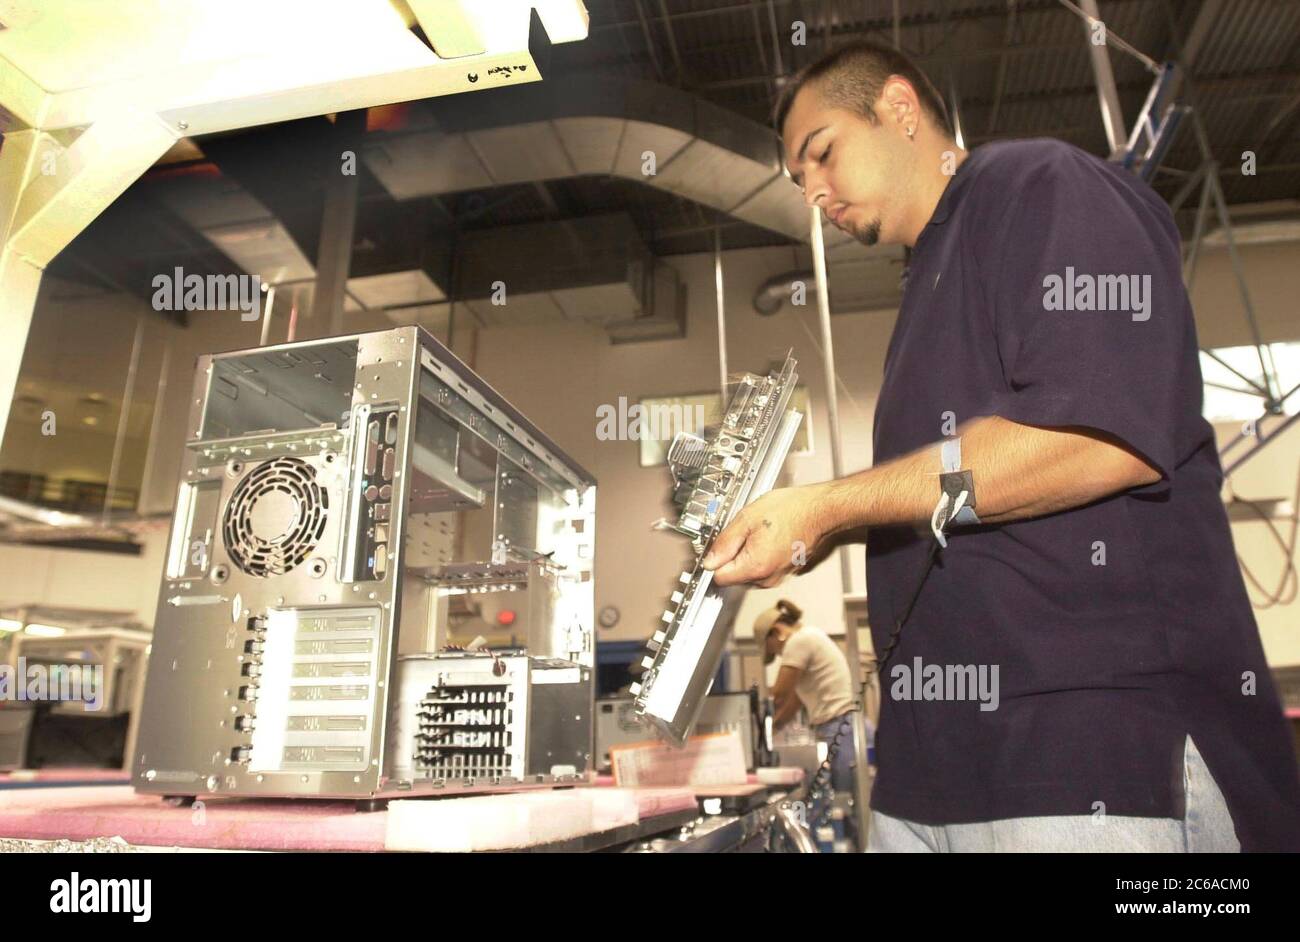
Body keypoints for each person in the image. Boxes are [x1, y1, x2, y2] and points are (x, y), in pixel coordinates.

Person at [701, 40, 1300, 852]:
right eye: (799, 178)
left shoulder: (1038, 187)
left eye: (822, 153)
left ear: (901, 110)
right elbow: (955, 488)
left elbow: (1096, 440)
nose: (813, 192)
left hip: (1089, 757)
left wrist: (829, 503)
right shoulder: (926, 286)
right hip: (935, 773)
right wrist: (828, 528)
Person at [753, 599, 858, 793]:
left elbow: (779, 696)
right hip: (844, 725)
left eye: (774, 650)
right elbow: (795, 700)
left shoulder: (799, 640)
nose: (779, 655)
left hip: (838, 725)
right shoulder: (810, 637)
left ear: (777, 632)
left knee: (844, 798)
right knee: (846, 798)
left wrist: (756, 728)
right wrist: (772, 729)